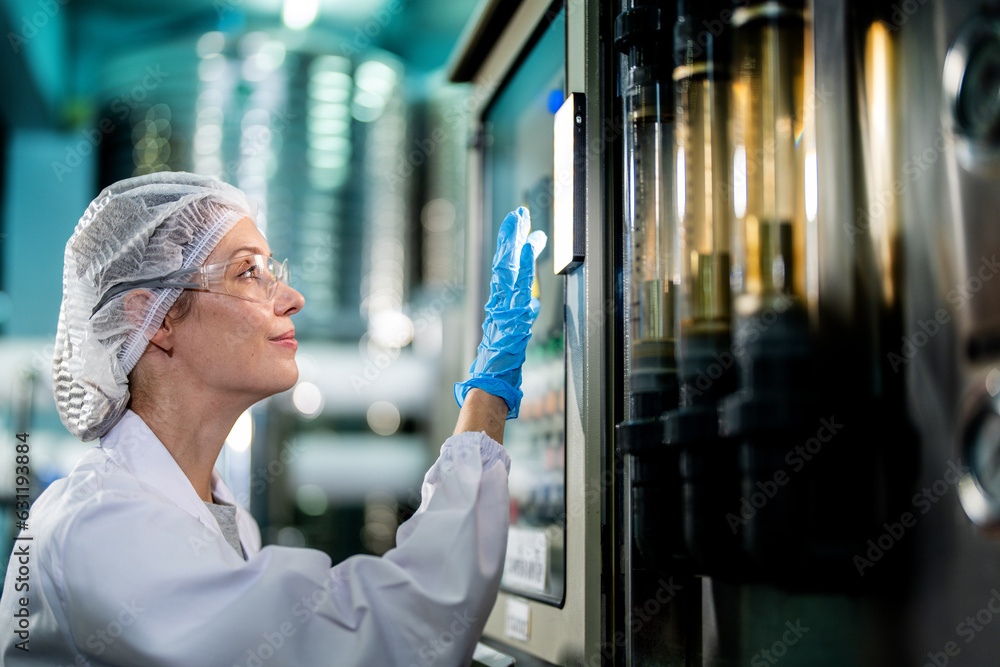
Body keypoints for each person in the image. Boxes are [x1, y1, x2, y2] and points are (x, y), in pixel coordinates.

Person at [0, 172, 546, 666]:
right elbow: (379, 634)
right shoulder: (103, 527)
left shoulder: (222, 518)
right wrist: (487, 393)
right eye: (248, 272)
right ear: (154, 317)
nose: (292, 298)